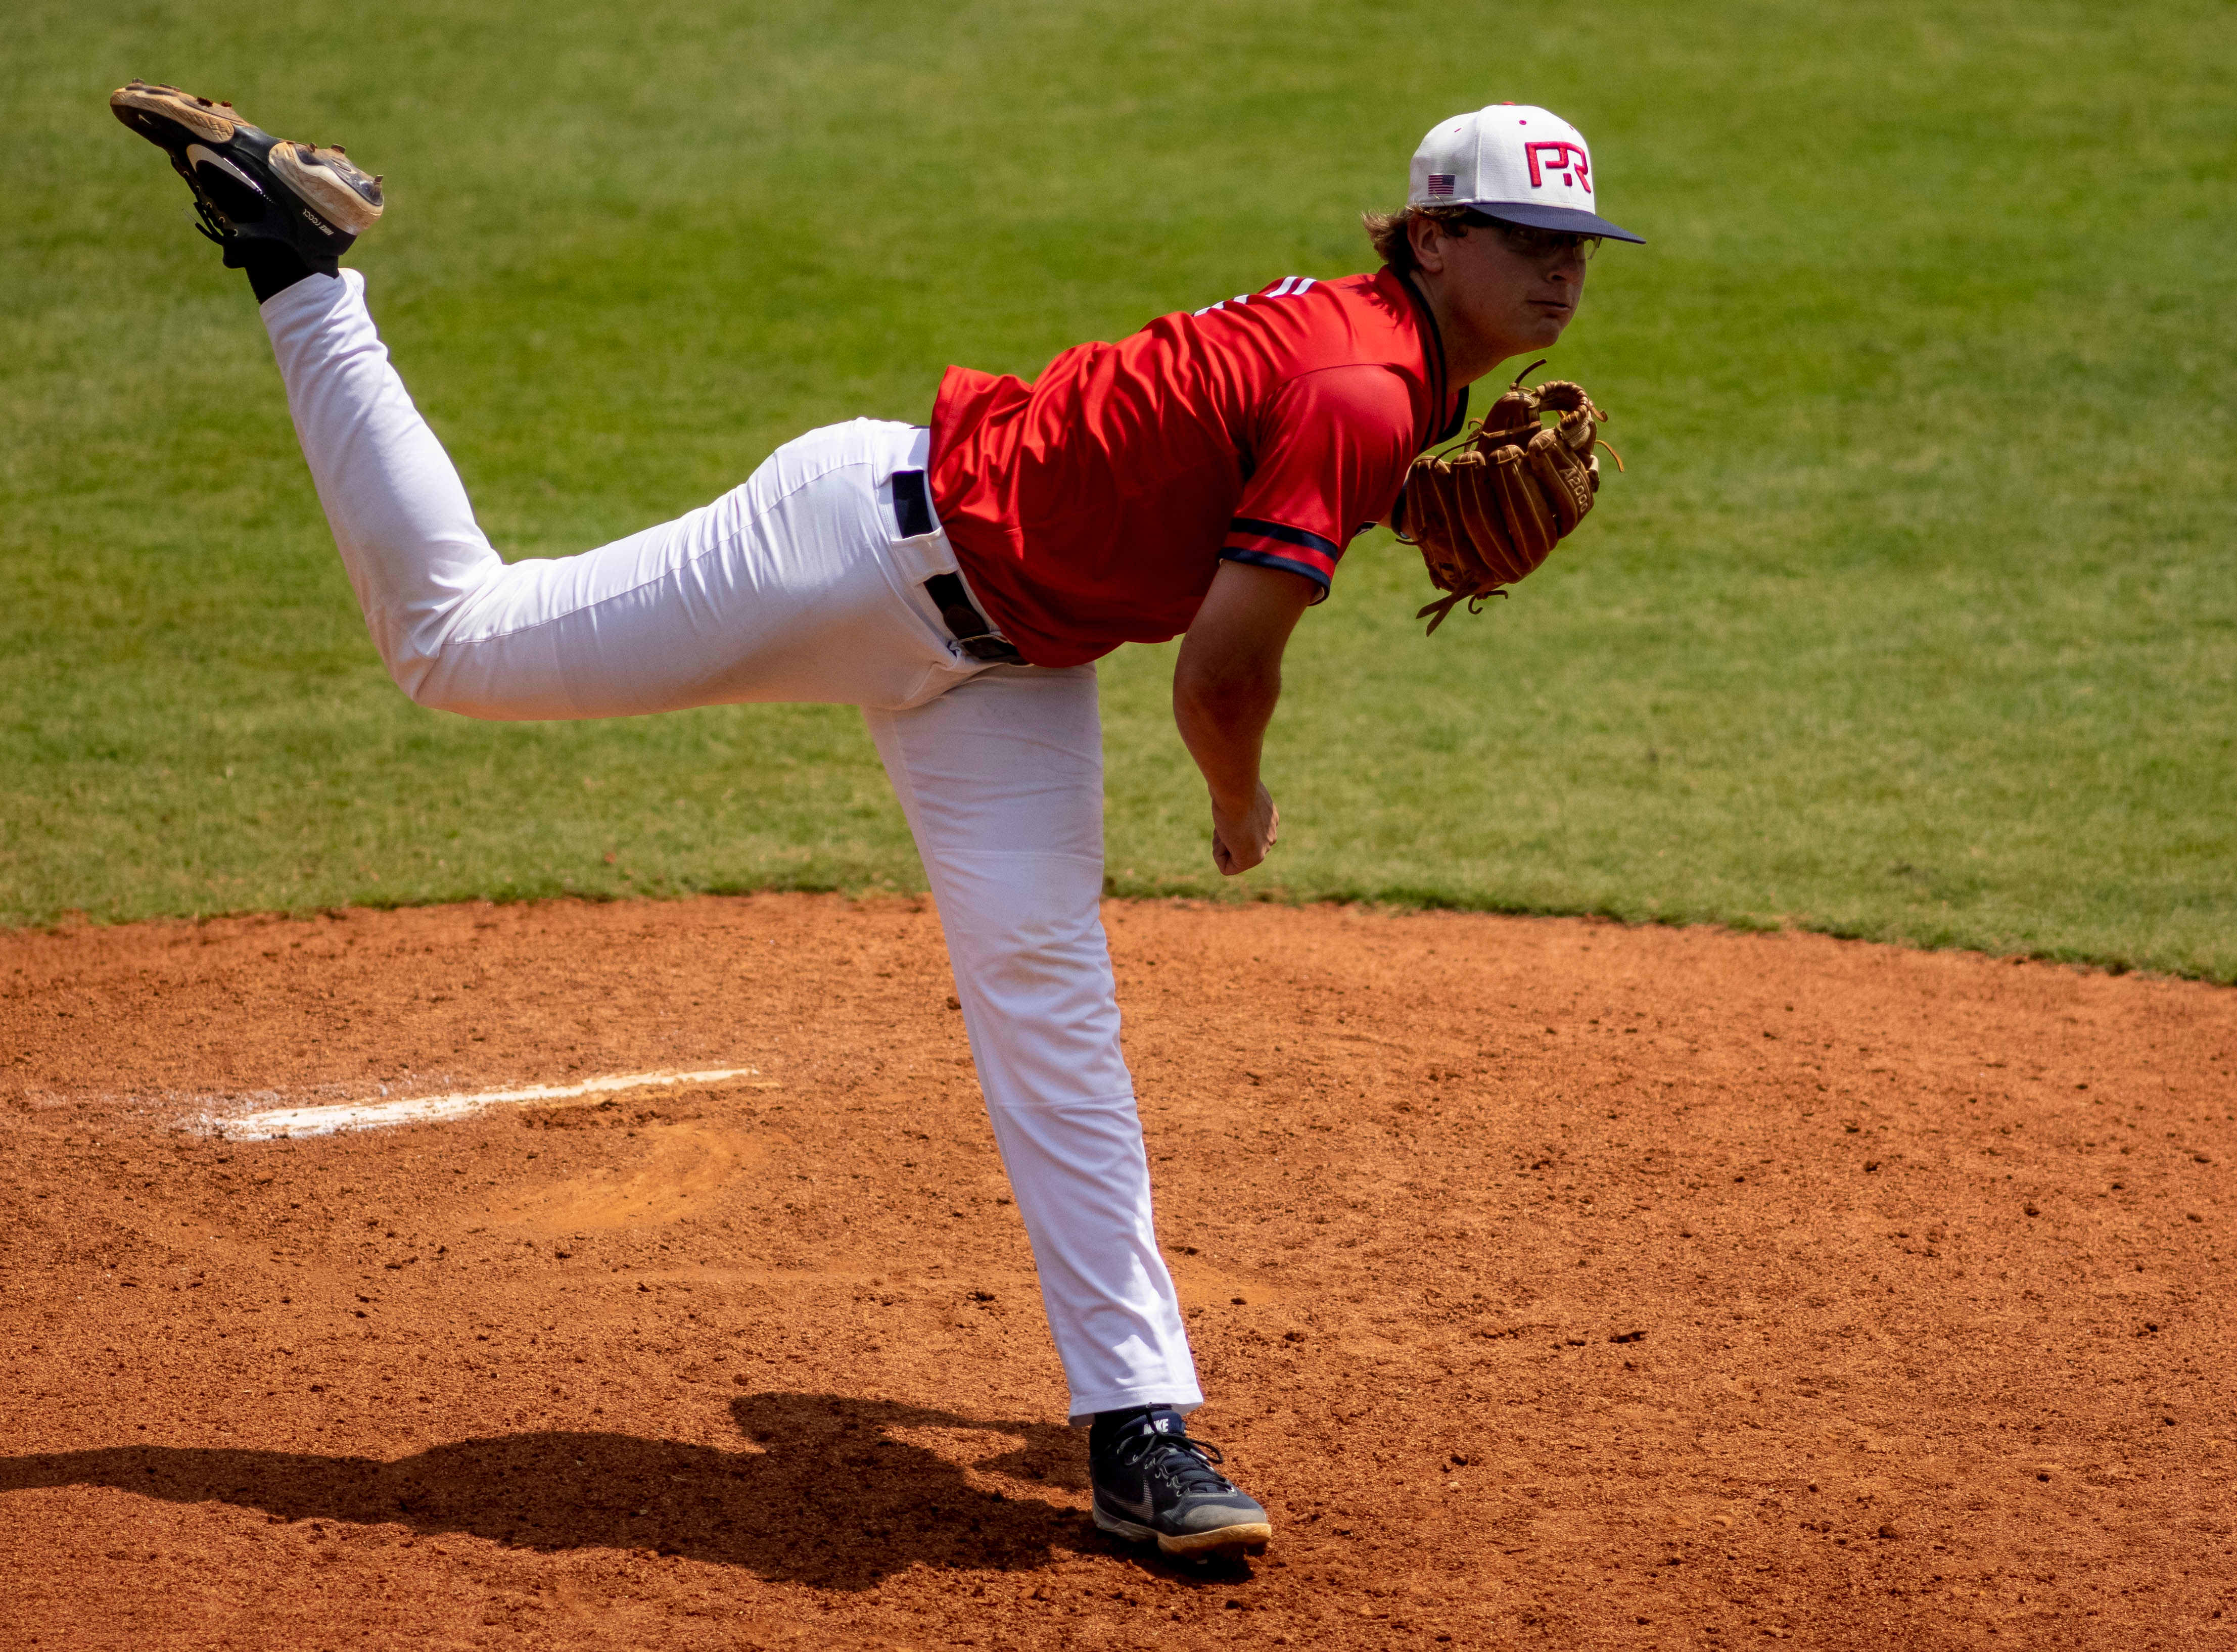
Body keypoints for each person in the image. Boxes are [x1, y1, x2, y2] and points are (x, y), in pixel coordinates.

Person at [108, 82, 1640, 1560]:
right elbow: (1222, 675)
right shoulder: (1365, 388)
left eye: (1572, 246)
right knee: (456, 643)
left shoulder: (1371, 362)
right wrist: (1237, 809)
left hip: (1012, 662)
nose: (1558, 272)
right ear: (1431, 241)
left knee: (1054, 1007)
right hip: (849, 554)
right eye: (1524, 239)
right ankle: (294, 264)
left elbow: (1187, 466)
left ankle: (1138, 1431)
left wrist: (1362, 497)